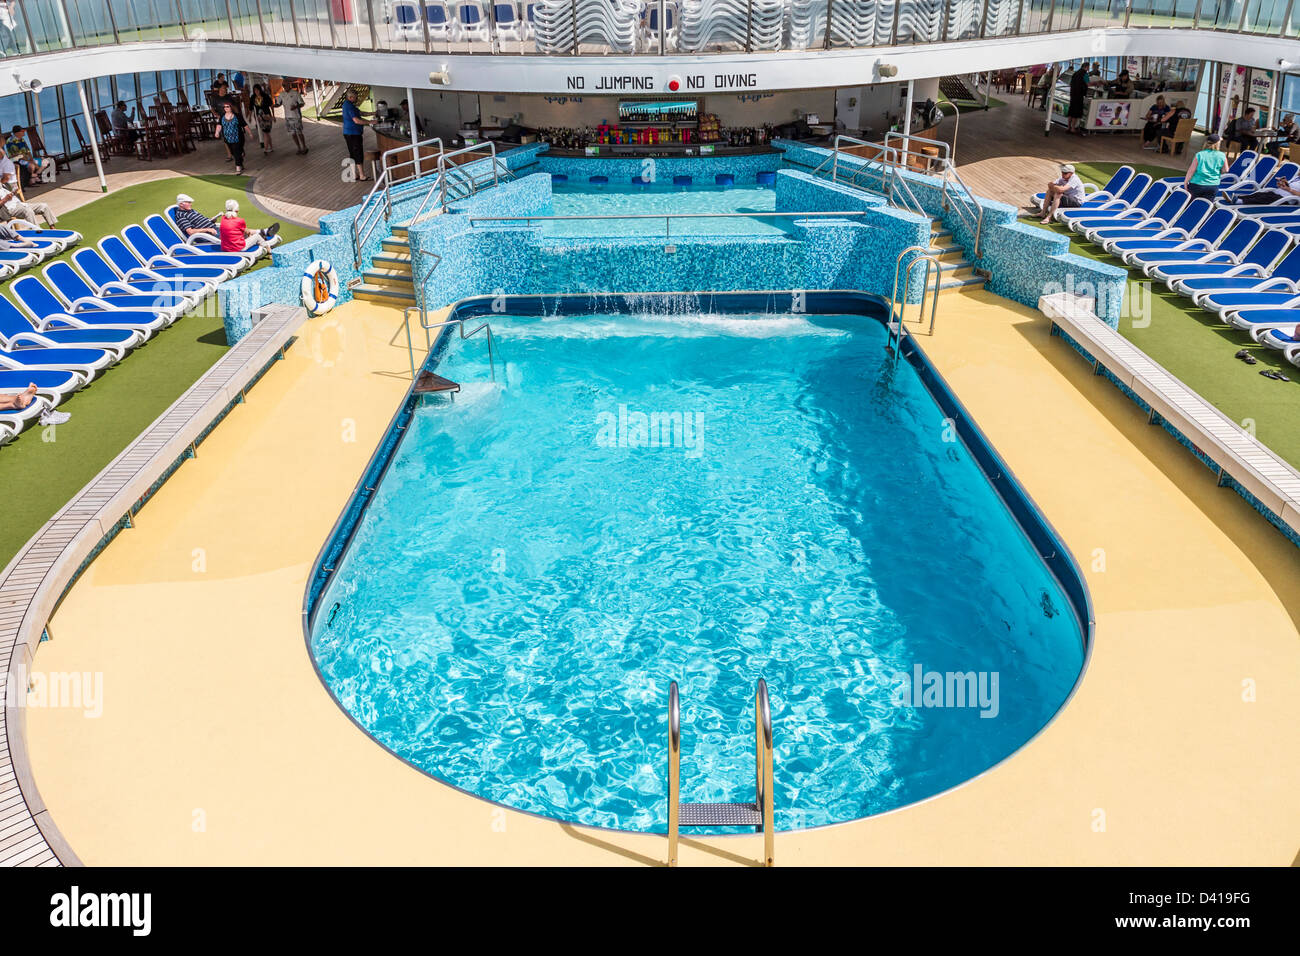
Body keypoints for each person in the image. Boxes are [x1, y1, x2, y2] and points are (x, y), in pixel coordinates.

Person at [1184, 133, 1226, 200]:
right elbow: (1225, 170)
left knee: (1191, 207)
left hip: (1197, 184)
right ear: (1218, 143)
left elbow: (1191, 170)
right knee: (1205, 207)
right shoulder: (1222, 155)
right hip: (1213, 185)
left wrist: (1186, 182)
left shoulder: (1200, 155)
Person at [341, 88, 371, 182]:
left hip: (349, 133)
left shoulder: (349, 105)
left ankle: (354, 175)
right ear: (350, 97)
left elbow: (360, 112)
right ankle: (362, 175)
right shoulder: (349, 106)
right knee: (358, 154)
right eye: (355, 97)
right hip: (353, 133)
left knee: (353, 154)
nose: (357, 99)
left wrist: (372, 113)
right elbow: (356, 120)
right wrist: (370, 122)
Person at [214, 100, 249, 173]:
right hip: (228, 138)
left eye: (227, 106)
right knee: (233, 152)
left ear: (231, 107)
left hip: (238, 137)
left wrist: (250, 133)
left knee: (236, 152)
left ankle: (238, 168)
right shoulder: (222, 117)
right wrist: (217, 132)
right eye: (224, 107)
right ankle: (240, 162)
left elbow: (245, 125)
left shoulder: (237, 116)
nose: (226, 108)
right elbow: (219, 125)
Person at [280, 79, 307, 155]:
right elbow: (278, 103)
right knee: (293, 134)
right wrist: (273, 106)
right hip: (287, 117)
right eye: (283, 85)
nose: (284, 87)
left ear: (289, 85)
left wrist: (295, 107)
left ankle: (304, 147)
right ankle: (298, 148)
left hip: (296, 116)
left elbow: (302, 103)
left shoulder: (295, 93)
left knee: (299, 132)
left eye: (285, 85)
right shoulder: (281, 94)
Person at [251, 84, 274, 154]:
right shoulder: (253, 97)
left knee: (266, 132)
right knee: (266, 132)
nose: (256, 91)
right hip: (260, 117)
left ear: (260, 90)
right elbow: (251, 107)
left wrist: (273, 115)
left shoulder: (265, 96)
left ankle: (266, 149)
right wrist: (251, 116)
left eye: (257, 90)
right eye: (255, 90)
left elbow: (271, 105)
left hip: (267, 116)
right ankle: (271, 147)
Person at [1067, 64, 1089, 135]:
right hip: (1079, 95)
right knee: (1075, 112)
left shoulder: (1075, 73)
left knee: (1071, 111)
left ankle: (1068, 127)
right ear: (1086, 67)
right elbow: (1088, 83)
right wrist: (1097, 83)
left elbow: (1071, 83)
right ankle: (1073, 128)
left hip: (1073, 94)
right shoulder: (1085, 74)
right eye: (1088, 67)